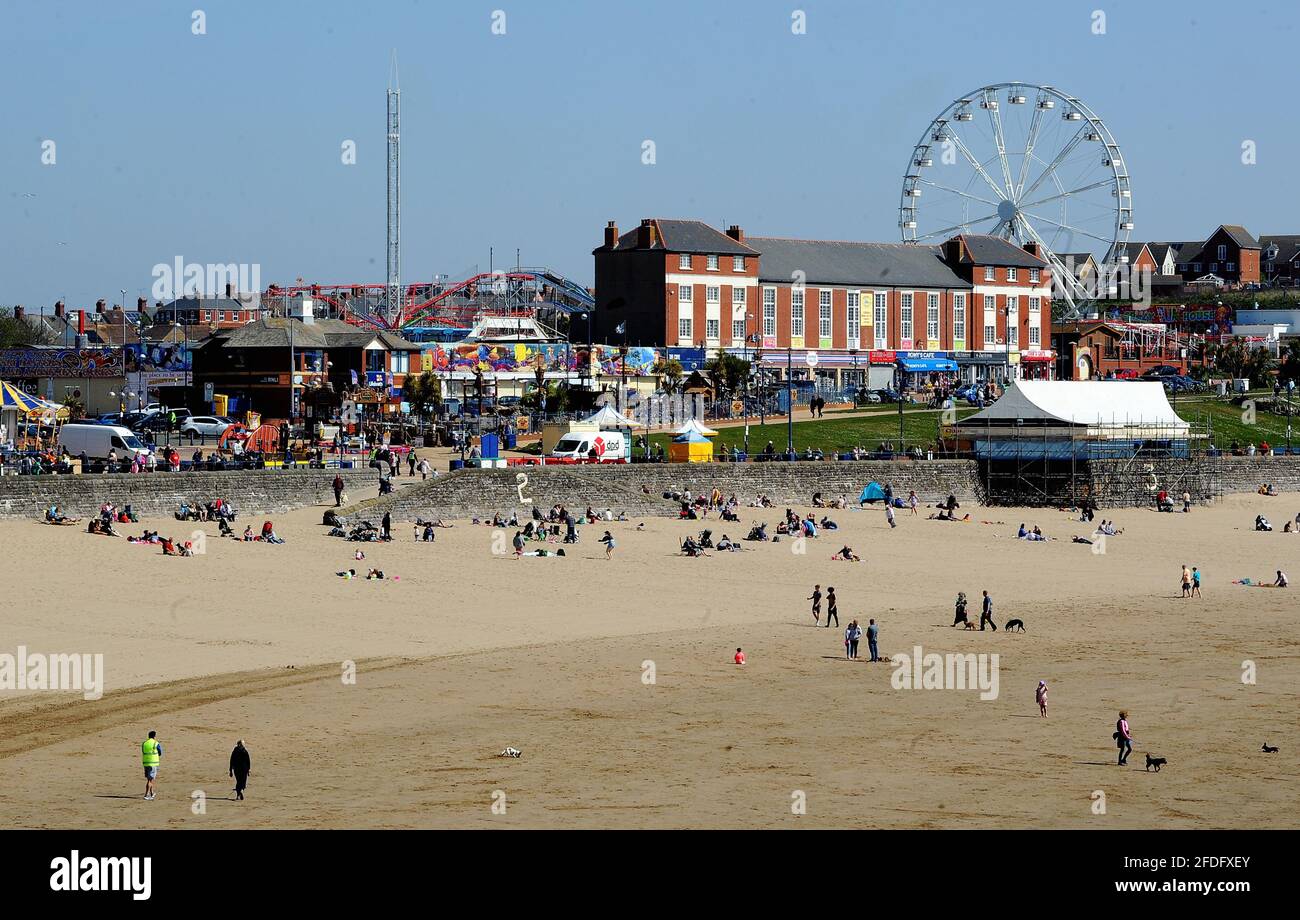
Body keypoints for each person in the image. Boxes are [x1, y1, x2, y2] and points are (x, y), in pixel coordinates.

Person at [141, 730, 162, 800]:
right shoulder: (156, 743)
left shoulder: (144, 743)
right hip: (153, 763)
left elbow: (143, 751)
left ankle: (152, 793)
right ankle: (146, 795)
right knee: (150, 780)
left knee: (149, 779)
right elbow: (160, 752)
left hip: (145, 763)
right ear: (154, 736)